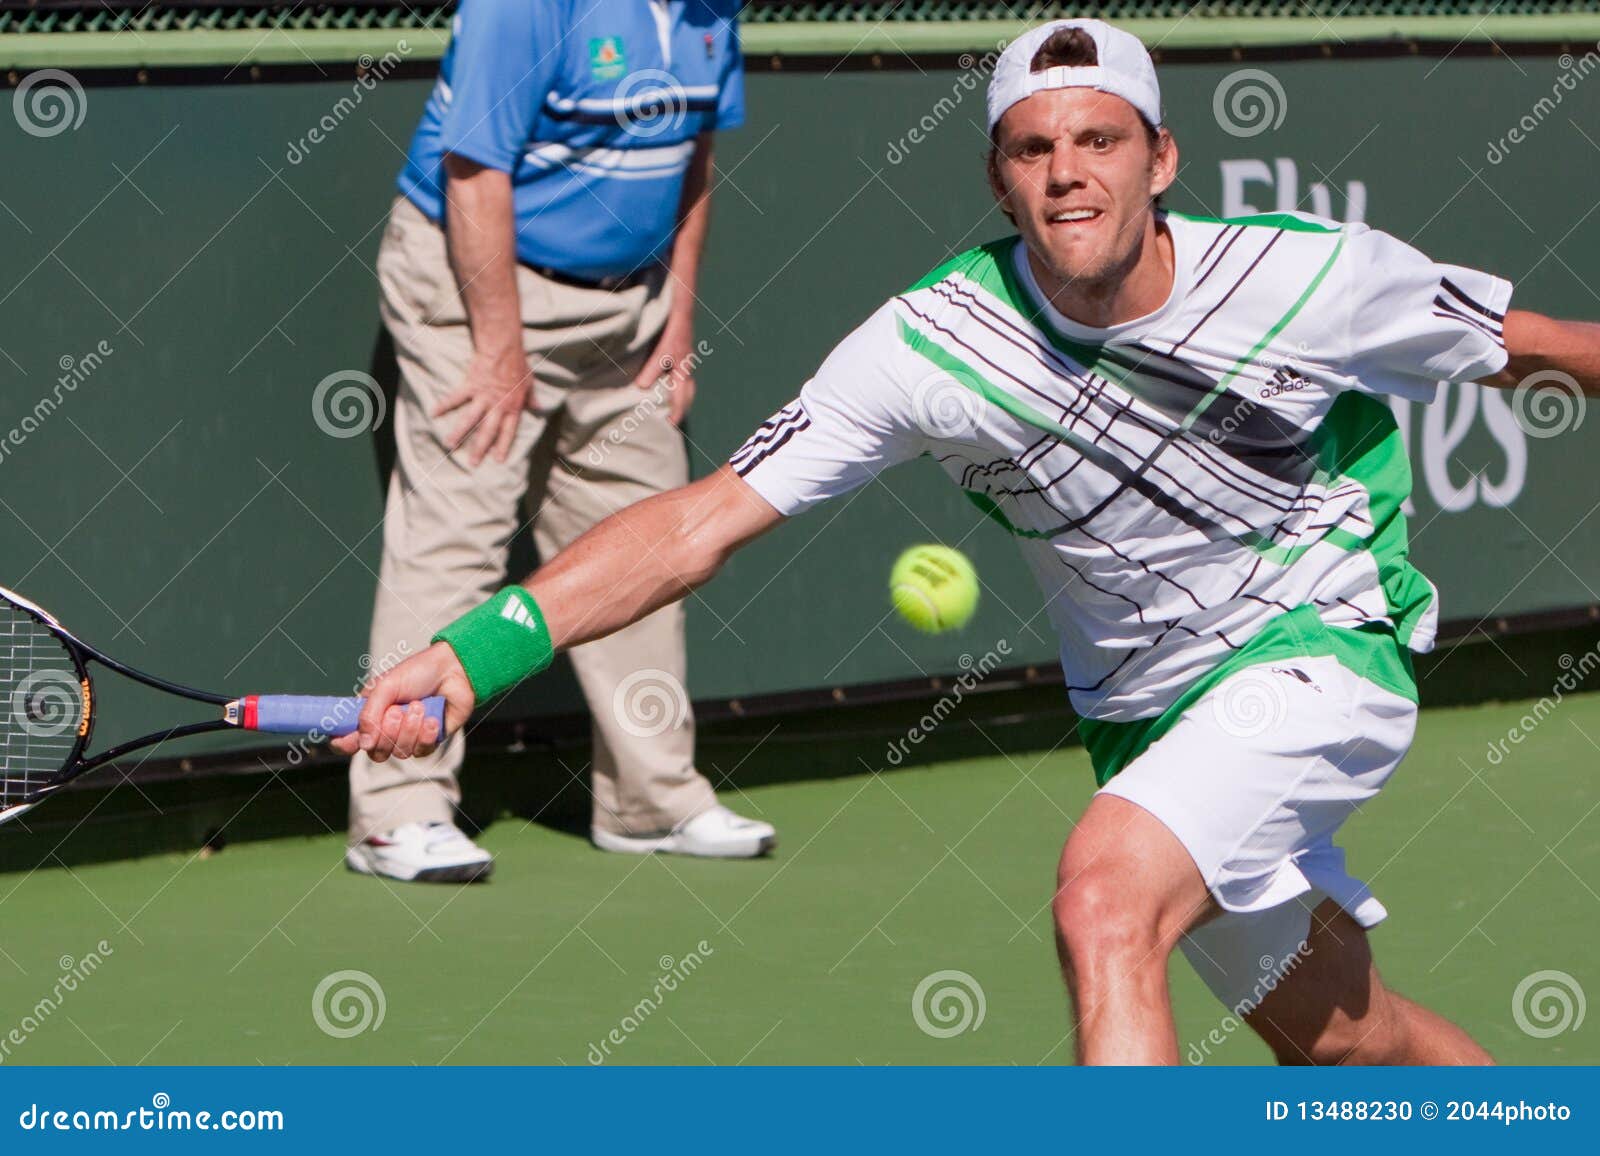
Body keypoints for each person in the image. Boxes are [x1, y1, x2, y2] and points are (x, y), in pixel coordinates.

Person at [335, 18, 1598, 1062]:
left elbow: (1544, 349)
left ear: (1160, 159)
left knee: (1104, 897)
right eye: (1032, 148)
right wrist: (474, 654)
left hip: (1322, 650)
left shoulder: (1309, 279)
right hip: (1149, 716)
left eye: (1098, 139)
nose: (1067, 173)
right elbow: (702, 517)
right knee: (1352, 1042)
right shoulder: (932, 342)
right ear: (999, 178)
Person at [347, 0, 774, 884]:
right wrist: (499, 349)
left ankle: (651, 800)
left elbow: (693, 155)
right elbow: (473, 171)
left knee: (647, 535)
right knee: (457, 532)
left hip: (629, 307)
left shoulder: (712, 9)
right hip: (477, 284)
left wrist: (677, 316)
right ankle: (399, 811)